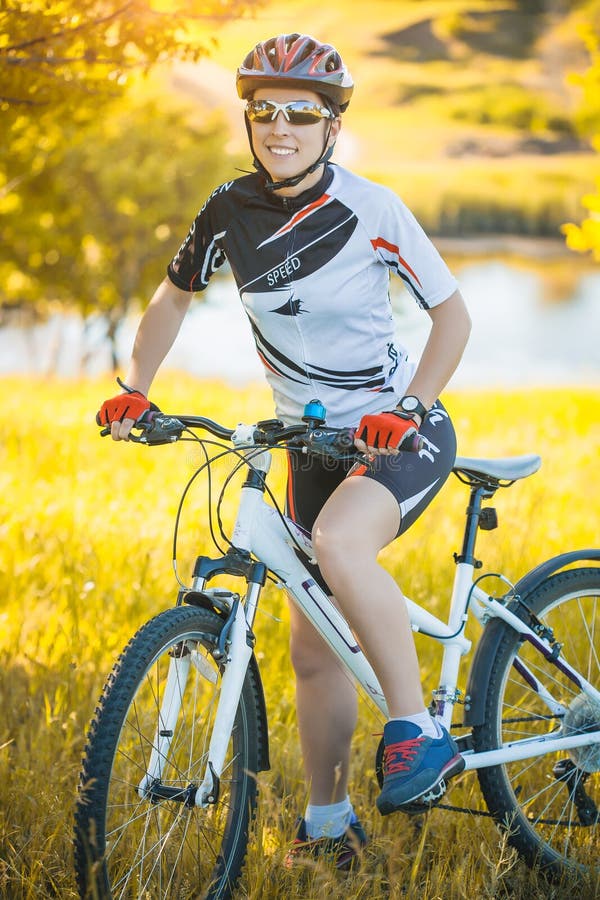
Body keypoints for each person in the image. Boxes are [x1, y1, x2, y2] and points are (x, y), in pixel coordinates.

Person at [97, 33, 472, 869]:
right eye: (264, 110)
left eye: (302, 112)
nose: (281, 126)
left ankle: (419, 730)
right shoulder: (230, 208)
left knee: (341, 544)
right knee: (313, 649)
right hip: (306, 445)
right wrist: (136, 384)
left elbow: (454, 319)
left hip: (395, 433)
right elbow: (171, 297)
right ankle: (328, 824)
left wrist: (409, 405)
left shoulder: (373, 209)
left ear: (332, 125)